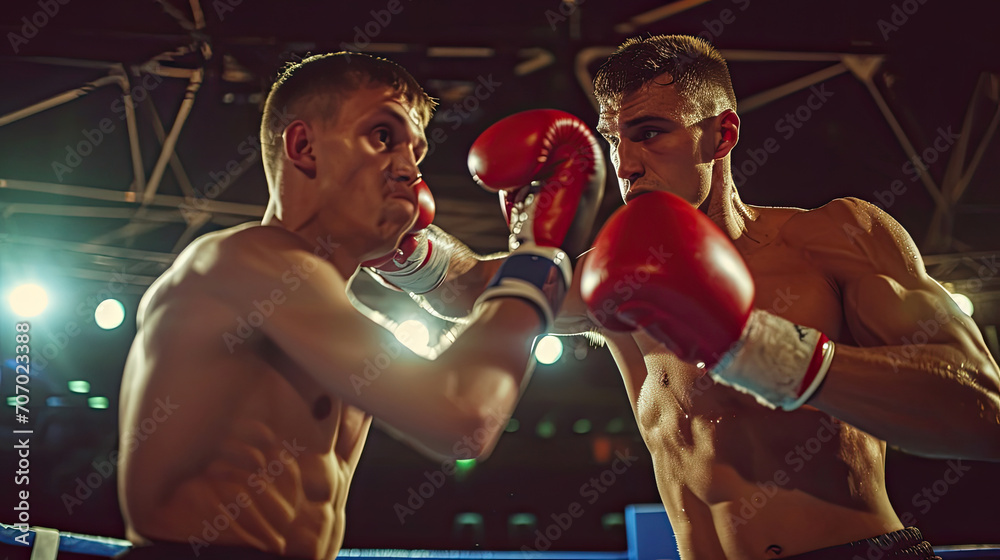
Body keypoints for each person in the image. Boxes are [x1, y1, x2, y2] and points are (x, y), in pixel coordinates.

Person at [401, 36, 1000, 559]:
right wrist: (392, 231)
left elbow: (982, 407)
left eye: (650, 133)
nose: (626, 163)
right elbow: (468, 292)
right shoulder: (613, 272)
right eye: (614, 139)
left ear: (723, 133)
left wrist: (755, 349)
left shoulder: (834, 237)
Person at [117, 52, 604, 559]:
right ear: (303, 146)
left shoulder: (331, 312)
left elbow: (472, 311)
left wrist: (554, 259)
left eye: (417, 151)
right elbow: (462, 414)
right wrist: (539, 254)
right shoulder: (239, 259)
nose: (409, 170)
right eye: (382, 137)